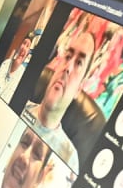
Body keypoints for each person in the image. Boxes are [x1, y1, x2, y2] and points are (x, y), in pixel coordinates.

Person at [21, 16, 101, 173]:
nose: (68, 67)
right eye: (68, 56)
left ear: (79, 88)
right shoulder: (19, 106)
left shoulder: (69, 159)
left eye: (79, 63)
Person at [0, 27, 40, 100]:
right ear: (19, 46)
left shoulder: (23, 77)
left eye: (27, 46)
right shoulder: (5, 63)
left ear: (28, 53)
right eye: (24, 43)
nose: (24, 48)